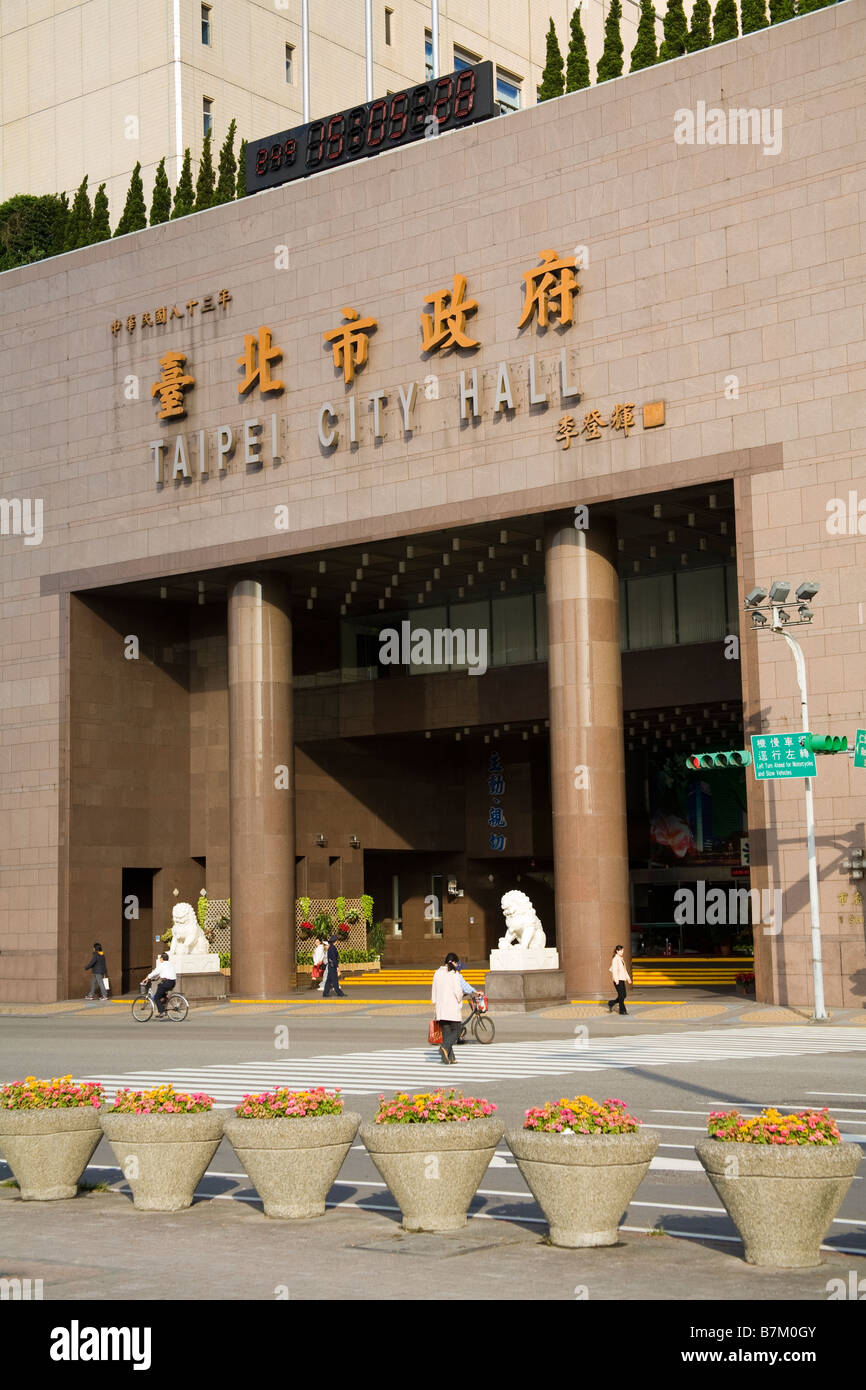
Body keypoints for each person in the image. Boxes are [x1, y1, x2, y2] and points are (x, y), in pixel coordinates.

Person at [431, 954, 464, 1064]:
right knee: (457, 1030)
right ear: (454, 962)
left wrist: (435, 1005)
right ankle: (444, 1047)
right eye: (457, 963)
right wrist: (461, 996)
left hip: (440, 1008)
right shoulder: (454, 974)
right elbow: (458, 992)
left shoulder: (437, 973)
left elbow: (434, 991)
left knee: (446, 1031)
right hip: (452, 1007)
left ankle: (450, 1057)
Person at [447, 953, 481, 1043]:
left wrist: (465, 993)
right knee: (457, 1021)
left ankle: (458, 1036)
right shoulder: (457, 975)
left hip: (445, 1000)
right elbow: (465, 986)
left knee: (455, 1020)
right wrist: (476, 992)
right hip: (453, 1002)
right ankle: (458, 1038)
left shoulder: (445, 973)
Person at [143, 952, 177, 1020]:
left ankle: (161, 1012)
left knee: (156, 997)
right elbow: (163, 973)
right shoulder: (170, 964)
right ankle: (164, 1005)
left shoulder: (162, 965)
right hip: (173, 982)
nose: (160, 960)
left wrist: (147, 978)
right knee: (161, 989)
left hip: (166, 982)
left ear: (161, 959)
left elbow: (155, 972)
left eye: (160, 959)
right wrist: (156, 978)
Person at [608, 944, 632, 1015]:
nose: (622, 952)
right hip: (617, 980)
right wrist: (616, 979)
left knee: (624, 995)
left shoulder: (621, 958)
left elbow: (624, 970)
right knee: (621, 995)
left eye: (623, 950)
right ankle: (622, 1010)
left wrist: (628, 978)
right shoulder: (615, 959)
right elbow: (614, 970)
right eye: (621, 950)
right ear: (617, 951)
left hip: (622, 979)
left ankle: (611, 1003)